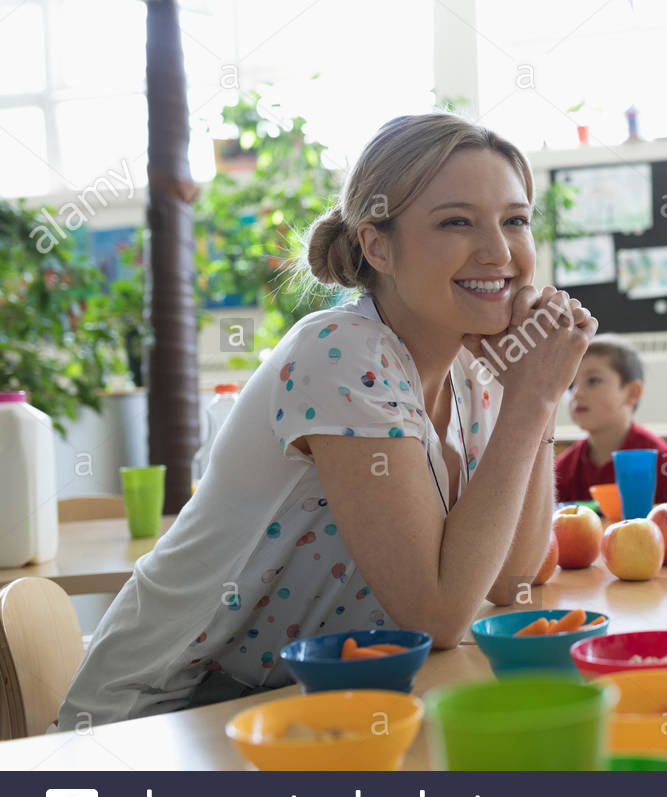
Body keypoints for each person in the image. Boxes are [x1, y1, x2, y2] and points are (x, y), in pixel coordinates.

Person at [58, 113, 596, 727]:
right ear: (377, 245)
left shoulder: (474, 369)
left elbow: (508, 582)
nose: (499, 252)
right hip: (164, 713)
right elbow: (439, 615)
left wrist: (538, 395)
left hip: (297, 703)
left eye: (515, 220)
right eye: (456, 222)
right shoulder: (341, 352)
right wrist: (530, 399)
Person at [553, 335, 667, 504]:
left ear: (633, 393)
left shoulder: (662, 460)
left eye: (593, 380)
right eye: (571, 385)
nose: (576, 393)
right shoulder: (564, 466)